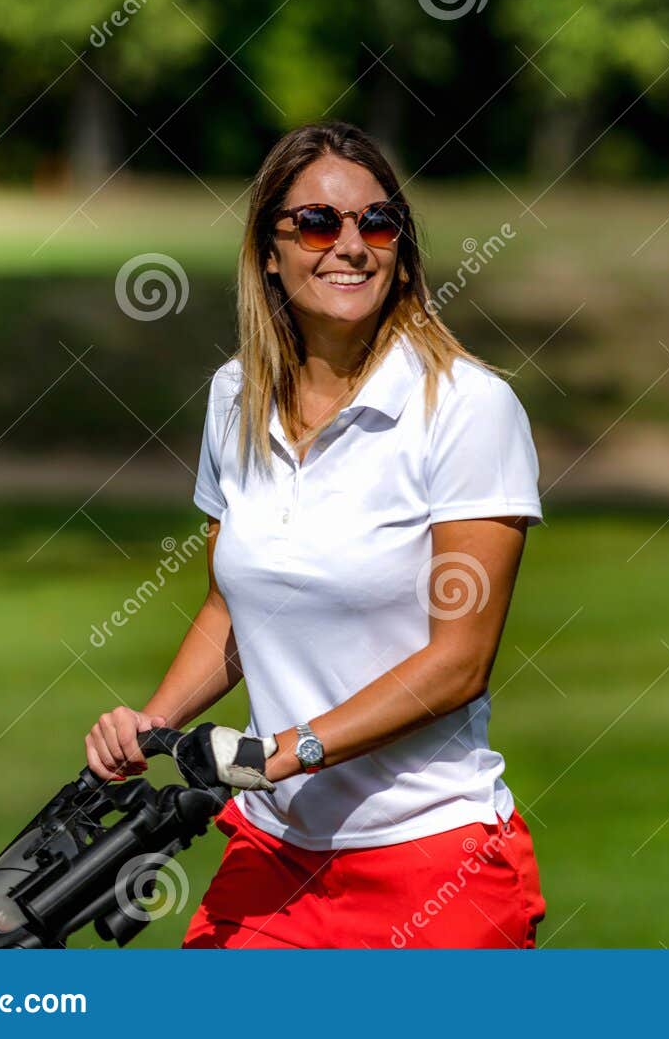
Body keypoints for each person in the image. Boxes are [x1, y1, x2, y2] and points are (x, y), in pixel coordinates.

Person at [84, 121, 547, 949]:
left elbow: (460, 660)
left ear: (401, 249)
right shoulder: (235, 398)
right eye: (317, 223)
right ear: (269, 248)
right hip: (273, 854)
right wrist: (150, 725)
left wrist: (287, 750)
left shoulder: (468, 409)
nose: (351, 246)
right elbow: (235, 605)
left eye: (376, 223)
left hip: (435, 863)